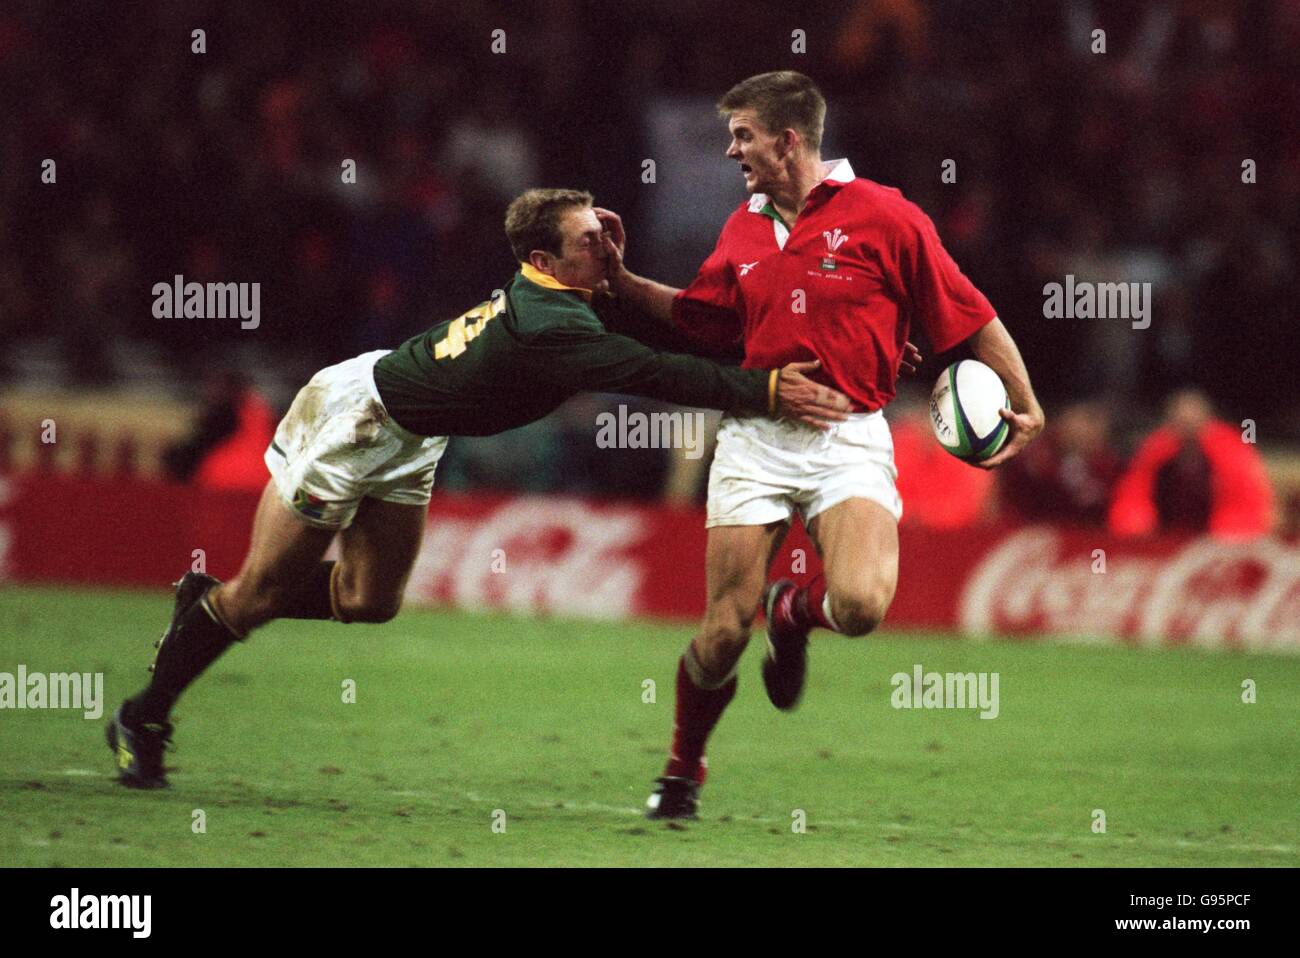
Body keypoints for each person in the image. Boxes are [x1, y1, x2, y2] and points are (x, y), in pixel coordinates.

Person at [106, 187, 852, 789]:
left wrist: (823, 340)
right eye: (590, 239)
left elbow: (675, 331)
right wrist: (767, 390)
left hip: (412, 434)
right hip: (357, 423)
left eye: (603, 229)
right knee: (256, 598)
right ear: (542, 258)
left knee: (372, 601)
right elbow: (657, 373)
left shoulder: (567, 296)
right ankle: (146, 716)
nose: (606, 245)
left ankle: (209, 604)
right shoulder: (551, 324)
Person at [600, 71, 1045, 819]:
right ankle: (683, 767)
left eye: (742, 134)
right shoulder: (742, 226)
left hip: (850, 437)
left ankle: (795, 614)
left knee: (865, 605)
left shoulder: (886, 215)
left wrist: (1024, 401)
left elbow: (965, 312)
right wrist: (620, 281)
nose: (730, 149)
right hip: (758, 436)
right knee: (719, 634)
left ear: (789, 138)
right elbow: (703, 319)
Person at [1108, 389, 1274, 540]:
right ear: (1170, 422)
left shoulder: (1232, 452)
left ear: (1208, 420)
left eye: (1192, 420)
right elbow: (1133, 495)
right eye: (1181, 421)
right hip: (1165, 537)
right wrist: (1136, 525)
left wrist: (1226, 534)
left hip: (1215, 542)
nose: (1187, 427)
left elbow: (1248, 503)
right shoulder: (1155, 451)